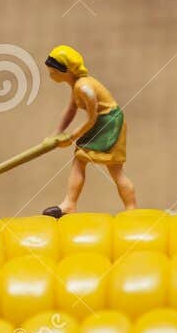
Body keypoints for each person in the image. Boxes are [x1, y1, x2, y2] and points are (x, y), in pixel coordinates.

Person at [42, 44, 136, 217]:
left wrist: (71, 137)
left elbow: (92, 119)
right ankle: (70, 204)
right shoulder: (76, 85)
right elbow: (70, 111)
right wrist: (56, 133)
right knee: (86, 161)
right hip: (104, 121)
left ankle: (131, 209)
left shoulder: (84, 88)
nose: (50, 75)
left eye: (53, 71)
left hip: (109, 122)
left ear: (66, 70)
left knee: (111, 167)